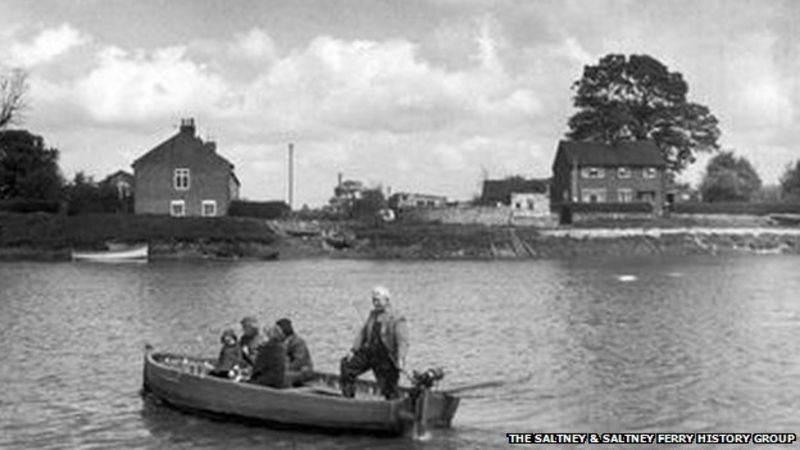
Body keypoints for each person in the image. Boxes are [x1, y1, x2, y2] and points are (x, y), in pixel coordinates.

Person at [340, 286, 408, 400]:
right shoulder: (373, 315)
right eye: (373, 300)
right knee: (347, 365)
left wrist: (401, 358)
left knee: (389, 388)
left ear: (387, 300)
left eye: (378, 300)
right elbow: (363, 334)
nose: (375, 303)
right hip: (369, 353)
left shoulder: (397, 318)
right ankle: (348, 398)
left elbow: (403, 341)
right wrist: (353, 350)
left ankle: (393, 405)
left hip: (386, 356)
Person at [276, 318, 314, 386]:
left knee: (281, 377)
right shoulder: (282, 342)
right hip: (292, 371)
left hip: (302, 372)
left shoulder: (297, 342)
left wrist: (284, 368)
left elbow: (299, 361)